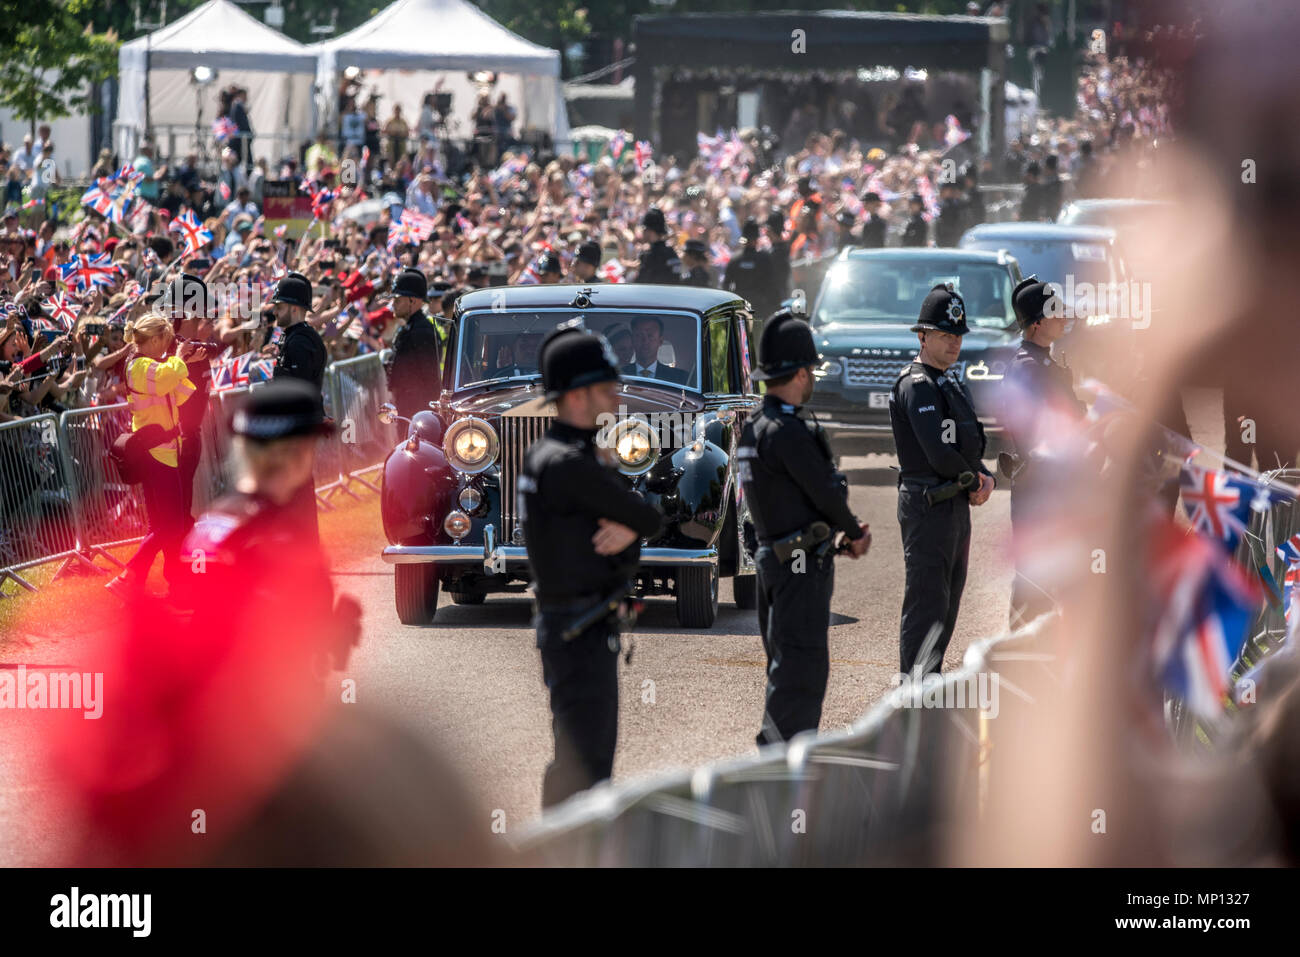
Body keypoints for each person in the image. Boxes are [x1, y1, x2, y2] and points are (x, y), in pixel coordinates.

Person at [519, 323, 664, 807]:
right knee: (585, 765)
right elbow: (650, 515)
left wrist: (629, 529)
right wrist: (632, 525)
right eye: (607, 386)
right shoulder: (570, 464)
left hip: (578, 623)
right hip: (578, 628)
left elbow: (636, 522)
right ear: (579, 395)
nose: (618, 395)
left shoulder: (553, 454)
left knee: (583, 758)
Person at [739, 311, 871, 747]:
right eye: (811, 370)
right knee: (801, 672)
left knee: (784, 665)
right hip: (799, 570)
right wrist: (853, 532)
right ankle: (779, 773)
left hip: (771, 560)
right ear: (799, 372)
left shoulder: (754, 428)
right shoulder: (790, 432)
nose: (812, 378)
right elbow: (826, 494)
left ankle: (781, 766)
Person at [889, 283, 996, 675]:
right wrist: (974, 483)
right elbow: (936, 452)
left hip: (953, 508)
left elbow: (969, 447)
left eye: (957, 336)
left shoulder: (950, 382)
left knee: (947, 607)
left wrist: (985, 476)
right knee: (927, 608)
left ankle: (926, 693)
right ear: (922, 336)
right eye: (945, 335)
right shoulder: (916, 386)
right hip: (927, 505)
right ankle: (913, 700)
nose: (954, 343)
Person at [1002, 276, 1086, 629]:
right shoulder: (1028, 368)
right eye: (1056, 313)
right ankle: (1016, 664)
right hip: (1040, 491)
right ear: (1037, 323)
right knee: (1034, 581)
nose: (1064, 317)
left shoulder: (1045, 364)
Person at [104, 314, 198, 602]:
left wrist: (183, 365)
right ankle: (129, 575)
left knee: (163, 524)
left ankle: (161, 585)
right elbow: (167, 380)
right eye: (167, 340)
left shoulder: (156, 365)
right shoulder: (138, 365)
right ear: (155, 339)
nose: (169, 346)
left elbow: (182, 394)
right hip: (157, 454)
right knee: (171, 524)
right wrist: (178, 361)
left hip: (167, 450)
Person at [270, 271, 327, 544]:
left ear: (294, 308)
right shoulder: (293, 337)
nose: (275, 311)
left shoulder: (301, 341)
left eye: (279, 306)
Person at [382, 267, 441, 418]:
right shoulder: (410, 328)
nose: (393, 304)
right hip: (407, 406)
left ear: (412, 301)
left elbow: (429, 379)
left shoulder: (422, 331)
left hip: (418, 411)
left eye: (397, 299)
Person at [723, 218, 777, 320]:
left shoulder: (735, 259)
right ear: (757, 238)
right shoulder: (765, 258)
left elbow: (726, 285)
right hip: (760, 309)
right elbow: (772, 285)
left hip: (741, 309)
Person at [623, 315, 689, 385]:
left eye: (650, 335)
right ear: (632, 340)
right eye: (639, 335)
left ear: (660, 341)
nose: (645, 341)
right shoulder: (617, 376)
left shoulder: (680, 378)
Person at [633, 207, 682, 284]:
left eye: (644, 229)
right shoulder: (672, 253)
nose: (642, 232)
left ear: (649, 230)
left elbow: (641, 285)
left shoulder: (649, 255)